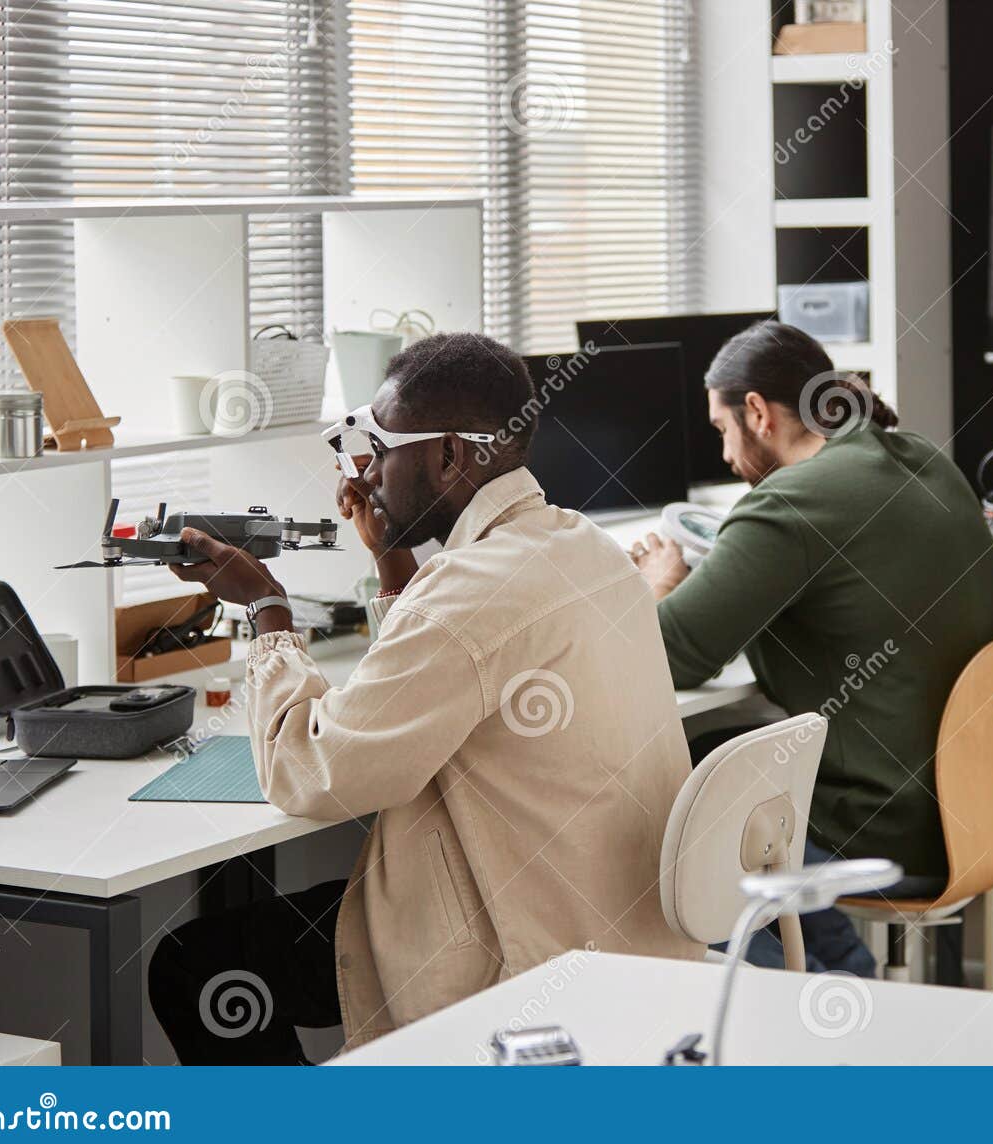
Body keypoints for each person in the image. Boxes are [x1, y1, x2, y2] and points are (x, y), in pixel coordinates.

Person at [149, 333, 702, 1064]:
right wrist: (391, 559)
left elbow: (310, 774)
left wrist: (268, 612)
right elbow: (440, 676)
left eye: (378, 443)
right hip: (625, 941)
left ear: (449, 455)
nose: (363, 469)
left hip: (524, 964)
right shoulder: (580, 545)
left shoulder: (472, 589)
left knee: (197, 965)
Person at [631, 321, 993, 981]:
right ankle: (837, 972)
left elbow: (673, 659)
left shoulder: (791, 506)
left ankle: (829, 980)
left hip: (889, 821)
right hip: (982, 800)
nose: (725, 456)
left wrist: (656, 589)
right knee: (723, 762)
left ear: (757, 413)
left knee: (665, 795)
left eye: (724, 429)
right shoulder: (916, 455)